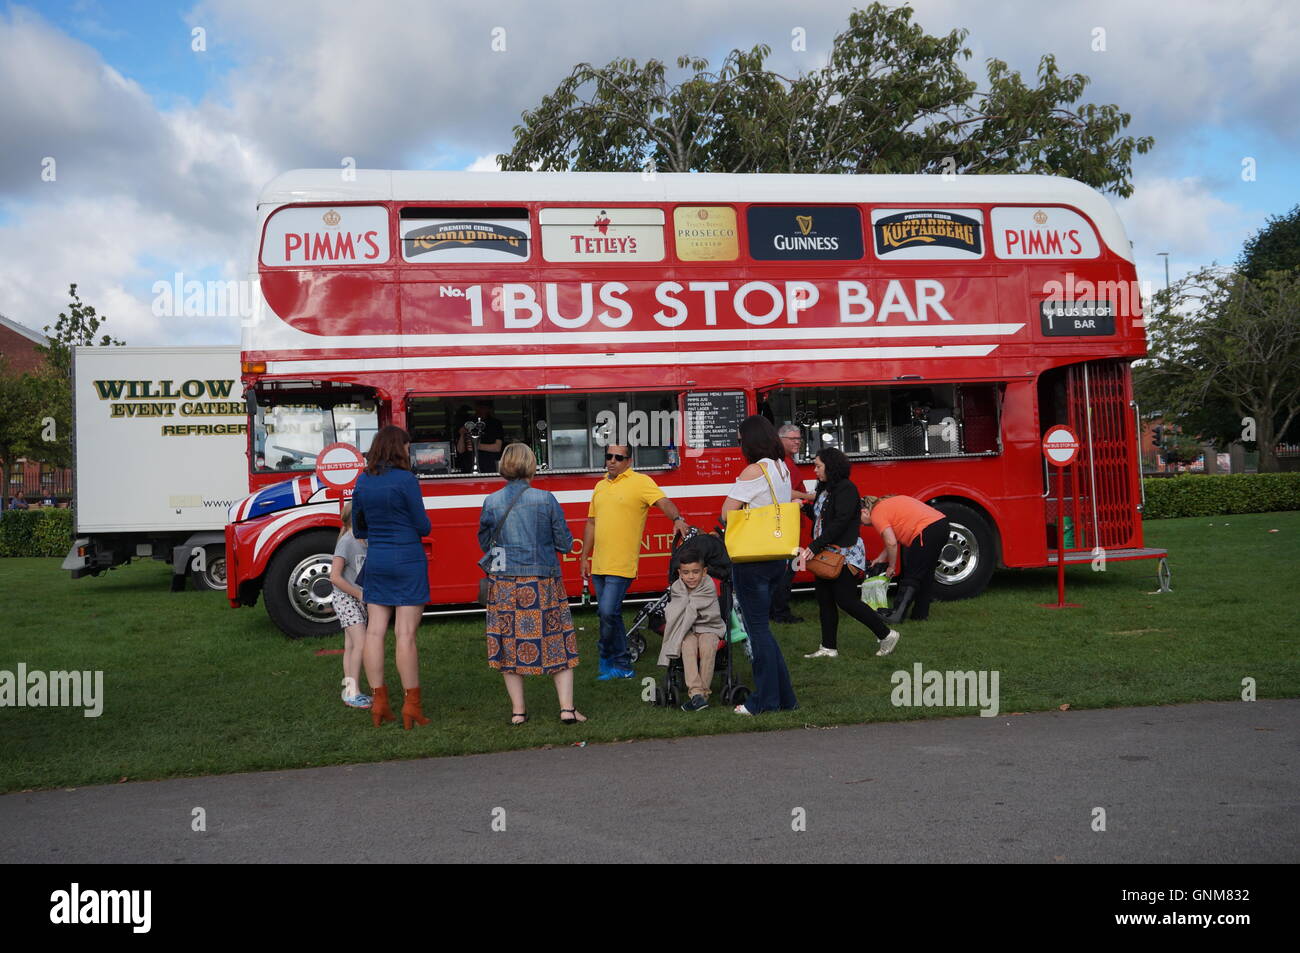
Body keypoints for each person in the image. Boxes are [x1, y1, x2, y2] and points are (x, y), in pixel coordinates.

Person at [479, 443, 586, 725]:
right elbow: (564, 542)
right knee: (557, 642)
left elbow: (483, 542)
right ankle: (566, 709)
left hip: (504, 584)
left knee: (508, 645)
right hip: (542, 582)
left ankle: (518, 712)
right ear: (530, 465)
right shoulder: (545, 499)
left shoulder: (491, 502)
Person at [580, 443, 691, 680]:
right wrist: (584, 557)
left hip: (622, 563)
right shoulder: (599, 486)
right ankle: (615, 662)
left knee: (609, 612)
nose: (612, 460)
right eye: (609, 456)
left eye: (618, 457)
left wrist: (678, 518)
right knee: (607, 614)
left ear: (628, 461)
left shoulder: (641, 482)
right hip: (599, 563)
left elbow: (663, 502)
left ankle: (613, 658)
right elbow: (591, 523)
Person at [352, 425, 433, 728]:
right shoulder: (407, 480)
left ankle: (380, 702)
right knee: (405, 635)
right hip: (408, 559)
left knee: (374, 632)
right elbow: (423, 526)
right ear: (400, 448)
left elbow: (359, 529)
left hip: (377, 560)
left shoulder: (362, 481)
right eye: (409, 447)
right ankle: (411, 705)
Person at [720, 415, 798, 715]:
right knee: (763, 630)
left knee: (758, 632)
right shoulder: (781, 468)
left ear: (751, 441)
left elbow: (727, 513)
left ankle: (764, 701)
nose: (740, 443)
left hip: (752, 560)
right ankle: (785, 698)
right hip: (777, 556)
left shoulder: (754, 470)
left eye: (741, 438)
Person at [796, 448, 899, 659]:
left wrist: (815, 546)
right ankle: (828, 647)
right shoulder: (826, 488)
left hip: (844, 554)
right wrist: (803, 508)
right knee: (824, 600)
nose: (814, 470)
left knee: (846, 600)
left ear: (831, 466)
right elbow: (822, 518)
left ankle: (886, 634)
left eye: (818, 466)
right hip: (827, 554)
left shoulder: (846, 489)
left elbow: (840, 523)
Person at [861, 495, 951, 623]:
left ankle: (897, 614)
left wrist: (892, 566)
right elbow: (894, 538)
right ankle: (920, 614)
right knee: (926, 574)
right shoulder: (885, 505)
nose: (862, 525)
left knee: (912, 575)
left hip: (926, 530)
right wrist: (881, 558)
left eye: (860, 521)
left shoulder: (876, 513)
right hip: (941, 524)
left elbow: (891, 542)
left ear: (864, 511)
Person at [657, 546, 725, 712]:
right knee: (687, 646)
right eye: (686, 573)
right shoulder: (677, 588)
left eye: (696, 572)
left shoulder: (708, 585)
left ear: (704, 571)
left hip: (710, 627)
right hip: (686, 629)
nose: (691, 577)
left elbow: (692, 607)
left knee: (707, 647)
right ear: (680, 573)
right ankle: (696, 694)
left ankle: (703, 694)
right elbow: (675, 610)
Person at [770, 423, 814, 624]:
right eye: (793, 439)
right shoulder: (783, 463)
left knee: (783, 569)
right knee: (787, 569)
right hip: (787, 524)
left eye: (799, 438)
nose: (798, 442)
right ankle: (781, 613)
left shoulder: (781, 462)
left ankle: (776, 611)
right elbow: (784, 492)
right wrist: (808, 496)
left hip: (785, 523)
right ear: (781, 440)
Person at [329, 501, 371, 709]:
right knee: (361, 643)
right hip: (346, 598)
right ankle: (354, 693)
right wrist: (359, 594)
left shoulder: (368, 540)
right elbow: (334, 577)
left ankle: (349, 690)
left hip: (358, 597)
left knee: (351, 646)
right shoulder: (346, 541)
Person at [456, 399, 505, 473]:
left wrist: (476, 446)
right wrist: (462, 434)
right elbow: (460, 450)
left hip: (489, 468)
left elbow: (497, 447)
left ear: (489, 408)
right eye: (480, 406)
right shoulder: (468, 423)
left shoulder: (495, 424)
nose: (482, 409)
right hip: (468, 468)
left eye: (485, 406)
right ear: (475, 407)